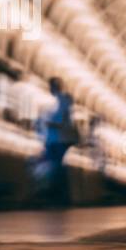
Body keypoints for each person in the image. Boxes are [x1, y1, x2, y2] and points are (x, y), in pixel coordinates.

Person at [33, 77, 78, 205]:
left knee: (54, 165)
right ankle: (59, 195)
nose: (50, 89)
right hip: (54, 139)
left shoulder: (63, 101)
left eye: (51, 86)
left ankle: (58, 195)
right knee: (55, 165)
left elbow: (62, 121)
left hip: (59, 139)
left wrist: (48, 123)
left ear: (56, 87)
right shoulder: (58, 101)